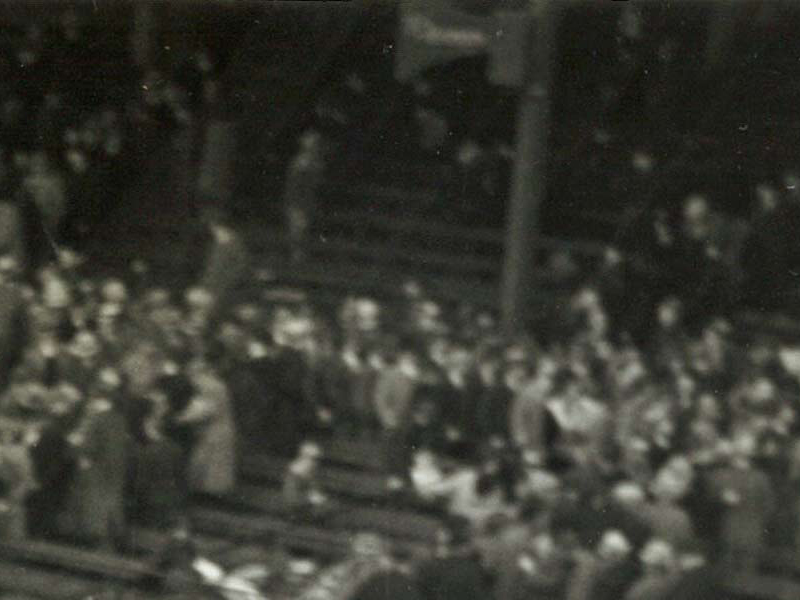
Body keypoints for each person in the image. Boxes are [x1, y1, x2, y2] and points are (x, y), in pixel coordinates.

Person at [59, 396, 131, 550]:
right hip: (111, 474)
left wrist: (73, 445)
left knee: (91, 510)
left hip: (94, 473)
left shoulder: (98, 422)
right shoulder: (118, 422)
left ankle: (88, 540)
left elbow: (87, 448)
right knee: (106, 510)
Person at [175, 360, 236, 497]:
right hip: (218, 429)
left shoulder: (208, 385)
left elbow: (205, 409)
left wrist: (181, 418)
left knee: (210, 466)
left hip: (215, 430)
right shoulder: (216, 384)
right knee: (210, 465)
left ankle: (208, 495)